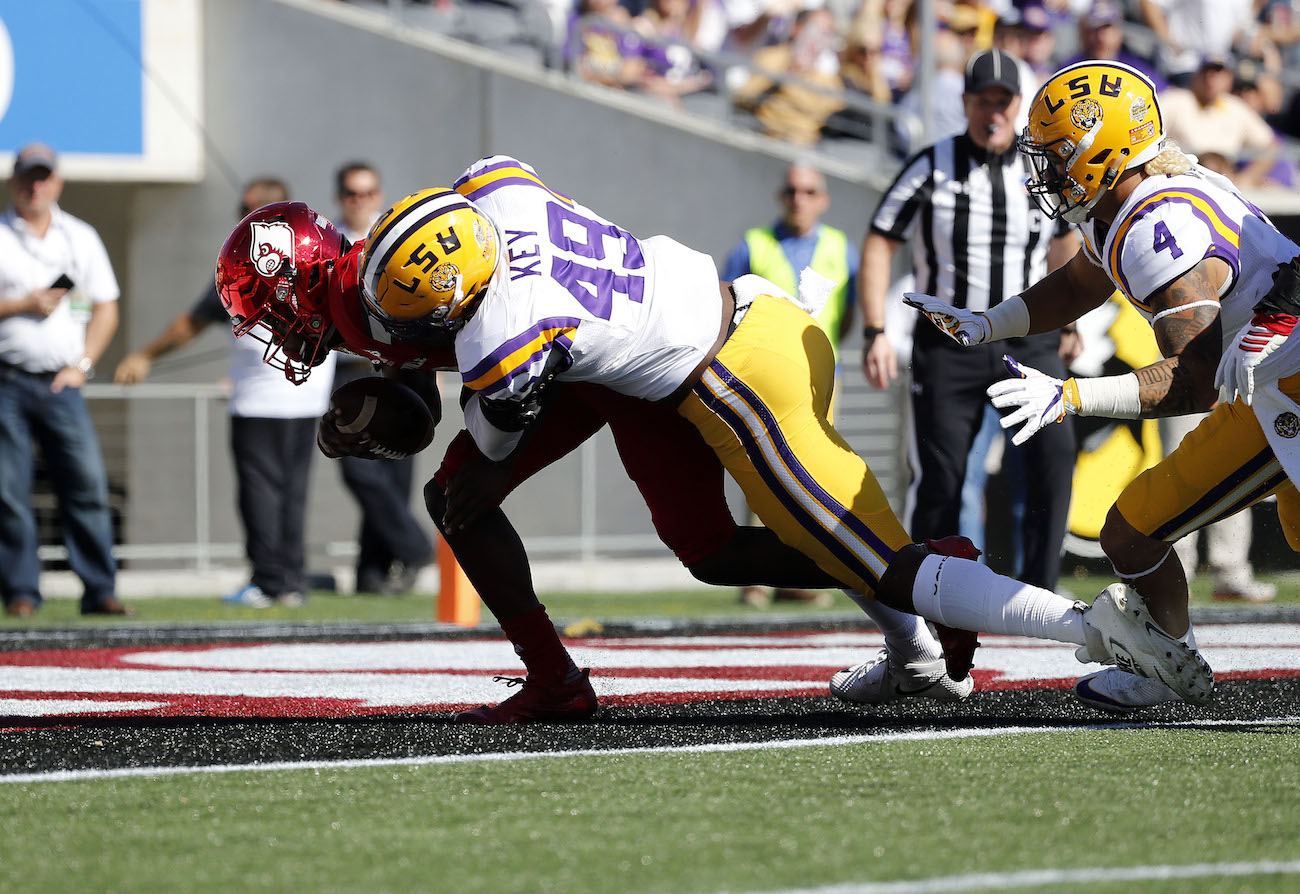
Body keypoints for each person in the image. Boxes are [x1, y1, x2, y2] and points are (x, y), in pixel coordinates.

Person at [352, 155, 1213, 710]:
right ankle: (912, 650)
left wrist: (410, 382)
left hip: (736, 376)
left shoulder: (502, 328)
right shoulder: (496, 189)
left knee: (886, 565)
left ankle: (1093, 628)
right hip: (753, 320)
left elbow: (491, 447)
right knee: (763, 546)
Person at [215, 200, 977, 722]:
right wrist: (393, 408)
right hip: (574, 361)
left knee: (457, 496)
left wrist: (443, 433)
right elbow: (433, 375)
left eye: (266, 308)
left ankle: (554, 678)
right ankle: (916, 566)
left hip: (593, 362)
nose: (271, 330)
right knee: (711, 554)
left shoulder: (369, 296)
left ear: (299, 278)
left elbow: (494, 383)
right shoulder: (360, 287)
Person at [907, 59, 1299, 711]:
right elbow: (1079, 283)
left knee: (1132, 532)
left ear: (1101, 150)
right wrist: (990, 322)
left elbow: (1196, 382)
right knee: (1139, 530)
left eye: (1059, 152)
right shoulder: (1127, 201)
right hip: (1268, 383)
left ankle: (1162, 668)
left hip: (1286, 385)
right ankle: (1165, 662)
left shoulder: (1155, 226)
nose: (1047, 169)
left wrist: (1072, 396)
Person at [861, 49, 1081, 594]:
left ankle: (1040, 593)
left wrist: (1069, 322)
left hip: (1027, 341)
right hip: (948, 342)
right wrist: (875, 330)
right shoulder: (932, 165)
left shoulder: (1040, 170)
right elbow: (881, 238)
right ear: (965, 103)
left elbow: (1065, 241)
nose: (994, 113)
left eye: (1003, 102)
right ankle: (926, 596)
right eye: (984, 101)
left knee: (1054, 459)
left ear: (1018, 106)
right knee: (941, 477)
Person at [115, 178, 335, 608]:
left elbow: (189, 325)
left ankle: (269, 582)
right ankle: (290, 582)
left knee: (262, 496)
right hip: (306, 398)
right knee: (291, 495)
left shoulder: (246, 266)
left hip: (260, 402)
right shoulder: (317, 261)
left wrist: (145, 355)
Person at [0, 143, 129, 618]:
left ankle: (100, 590)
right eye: (27, 177)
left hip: (63, 384)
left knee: (86, 486)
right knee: (9, 492)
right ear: (14, 182)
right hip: (7, 381)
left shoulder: (80, 236)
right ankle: (20, 592)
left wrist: (84, 364)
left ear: (57, 182)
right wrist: (23, 304)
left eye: (43, 177)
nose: (35, 186)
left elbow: (106, 308)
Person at [721, 161, 857, 608]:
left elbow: (848, 313)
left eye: (809, 191)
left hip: (820, 381)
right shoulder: (754, 244)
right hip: (761, 377)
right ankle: (758, 577)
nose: (800, 199)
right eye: (793, 191)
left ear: (823, 199)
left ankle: (802, 575)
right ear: (781, 196)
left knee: (815, 476)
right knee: (759, 471)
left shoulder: (841, 248)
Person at [331, 162, 435, 594]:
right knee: (360, 471)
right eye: (352, 194)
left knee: (394, 475)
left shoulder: (392, 236)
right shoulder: (330, 243)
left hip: (399, 368)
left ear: (378, 194)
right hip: (349, 374)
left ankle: (372, 572)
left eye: (368, 192)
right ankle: (415, 546)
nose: (361, 201)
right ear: (341, 197)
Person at [1159, 55, 1280, 188]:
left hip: (1222, 182)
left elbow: (1270, 145)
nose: (1211, 79)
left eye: (1218, 74)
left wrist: (1247, 178)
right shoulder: (1176, 100)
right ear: (1196, 75)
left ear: (1229, 79)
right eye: (1206, 72)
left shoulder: (1236, 107)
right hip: (1180, 179)